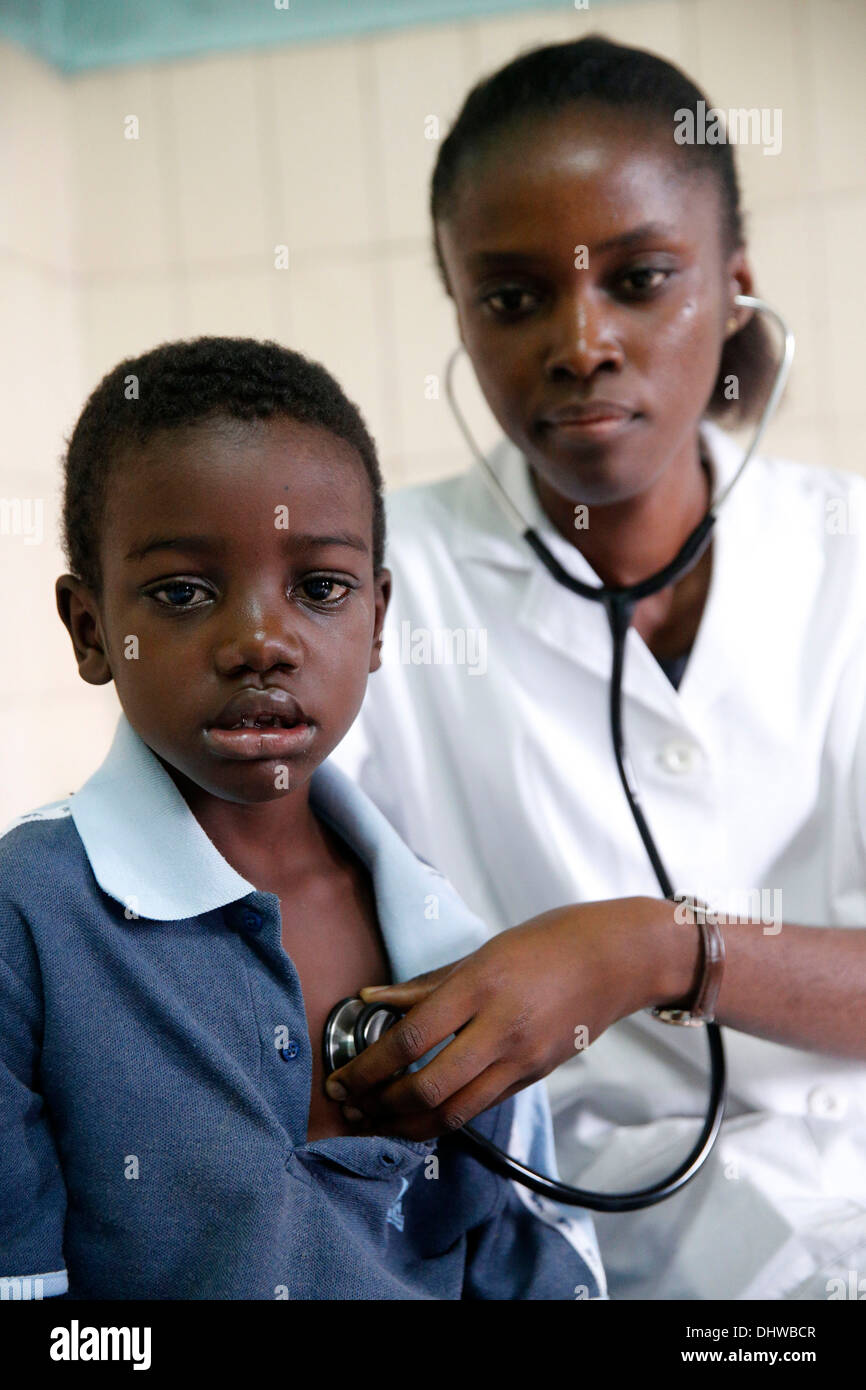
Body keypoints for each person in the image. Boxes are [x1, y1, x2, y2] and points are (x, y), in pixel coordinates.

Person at [327, 37, 866, 1300]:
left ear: (733, 286)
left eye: (638, 279)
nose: (579, 342)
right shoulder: (365, 579)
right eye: (511, 298)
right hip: (582, 1253)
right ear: (457, 310)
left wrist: (652, 949)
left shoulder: (851, 558)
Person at [0, 337, 606, 1301]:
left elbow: (520, 1261)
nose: (260, 642)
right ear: (89, 631)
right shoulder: (27, 918)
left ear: (375, 624)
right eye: (183, 593)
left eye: (320, 588)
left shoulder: (443, 929)